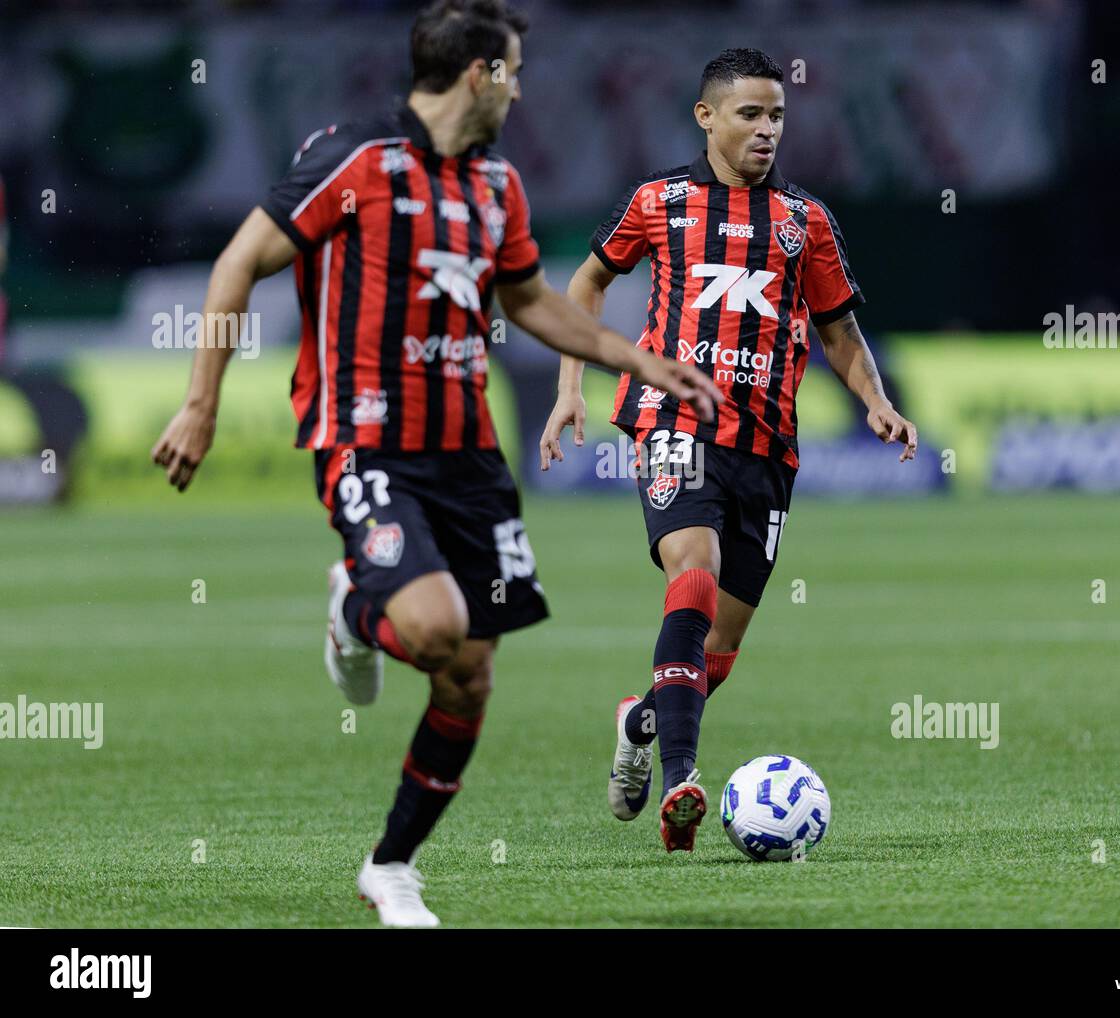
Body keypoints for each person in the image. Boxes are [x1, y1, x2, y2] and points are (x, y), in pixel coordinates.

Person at [150, 0, 718, 926]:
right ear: (479, 74)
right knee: (432, 626)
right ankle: (357, 606)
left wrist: (637, 358)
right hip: (366, 438)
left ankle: (393, 864)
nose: (523, 87)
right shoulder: (358, 159)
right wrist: (201, 402)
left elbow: (531, 300)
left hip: (469, 456)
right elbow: (237, 263)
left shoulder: (497, 185)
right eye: (515, 70)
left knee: (470, 672)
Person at [539, 48, 917, 853]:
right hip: (672, 421)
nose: (767, 130)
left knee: (721, 652)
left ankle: (642, 721)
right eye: (750, 114)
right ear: (706, 116)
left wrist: (877, 401)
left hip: (767, 445)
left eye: (777, 115)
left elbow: (839, 329)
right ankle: (682, 777)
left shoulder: (804, 221)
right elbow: (584, 287)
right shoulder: (660, 202)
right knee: (695, 573)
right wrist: (570, 385)